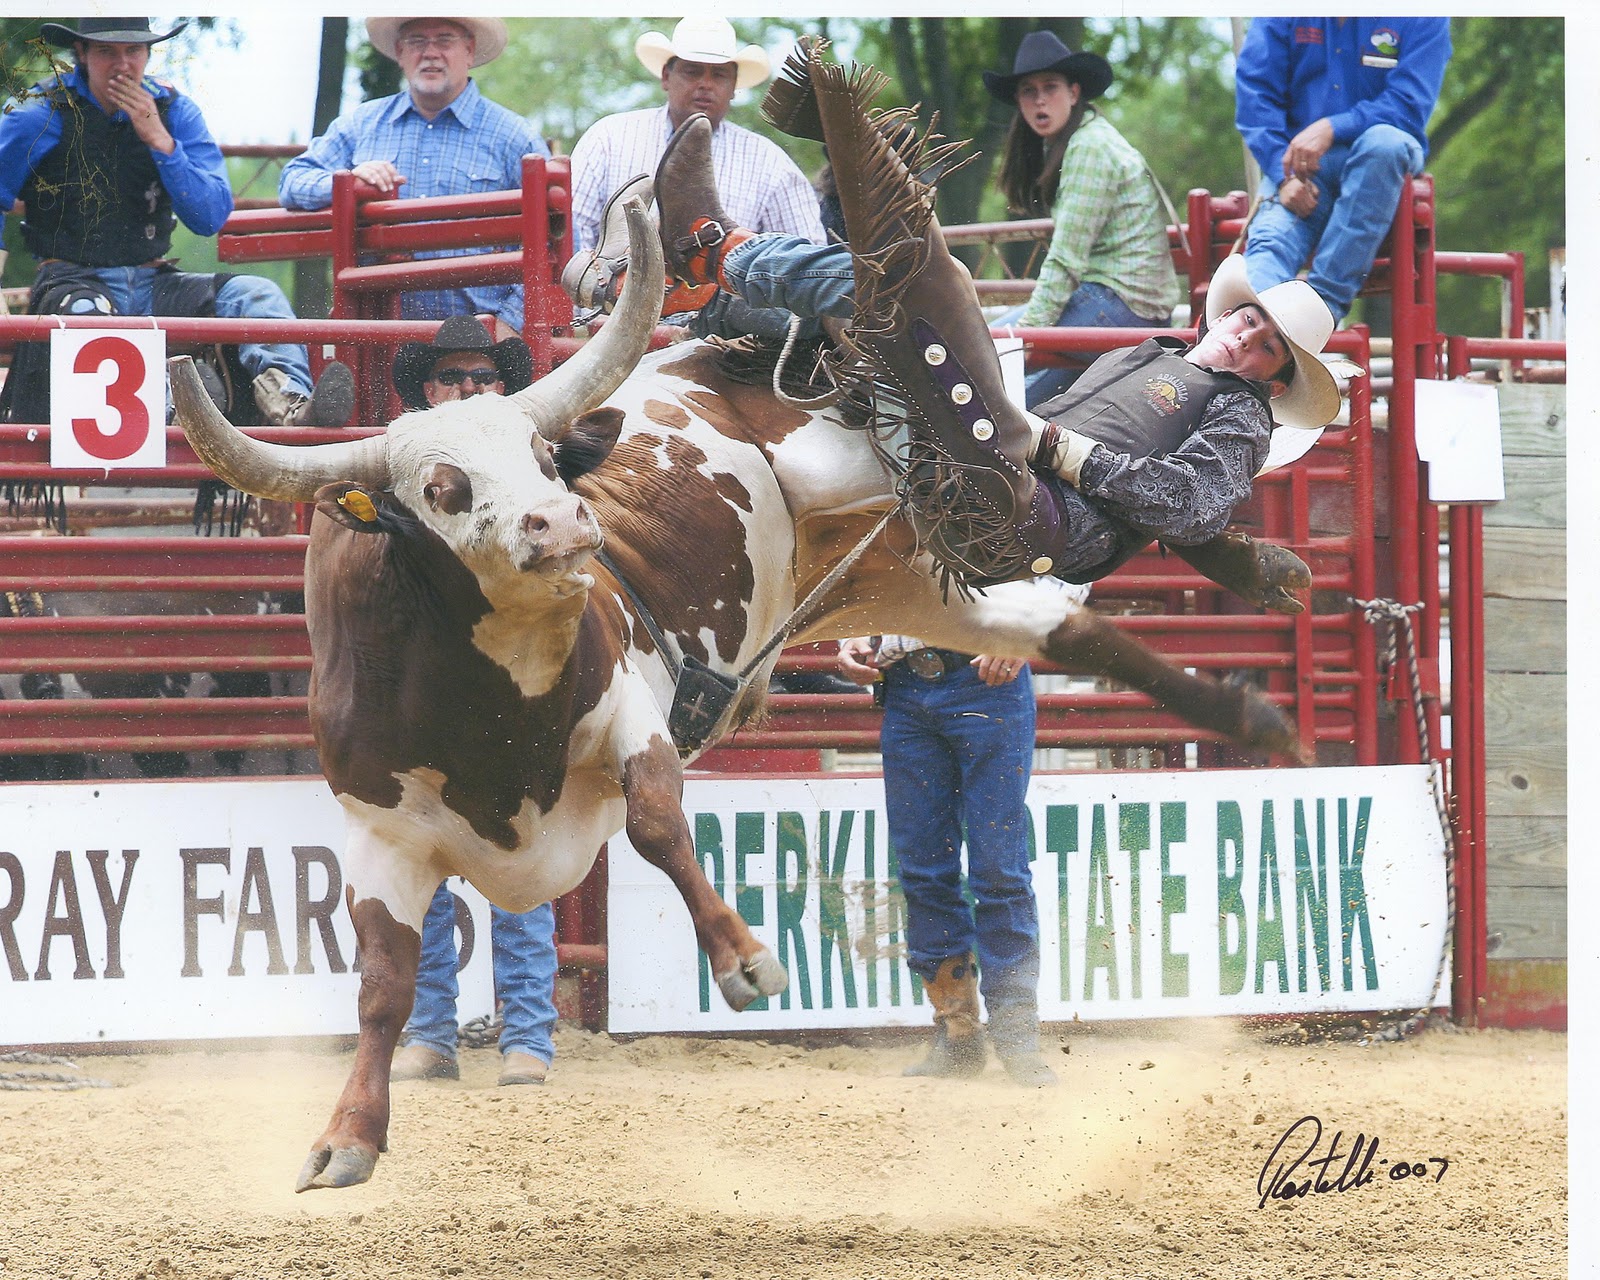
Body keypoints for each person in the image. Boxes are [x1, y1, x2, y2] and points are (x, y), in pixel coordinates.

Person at [602, 70, 1342, 603]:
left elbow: (1195, 509)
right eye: (1253, 318)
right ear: (1231, 311)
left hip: (1026, 511)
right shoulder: (1148, 355)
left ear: (1274, 379)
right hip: (998, 478)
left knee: (924, 285)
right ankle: (695, 296)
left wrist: (1061, 449)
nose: (1250, 336)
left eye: (1270, 345)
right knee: (852, 322)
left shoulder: (1241, 414)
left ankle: (715, 251)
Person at [0, 17, 353, 429]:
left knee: (256, 294)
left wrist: (162, 143)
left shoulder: (175, 112)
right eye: (106, 52)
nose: (122, 65)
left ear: (148, 54)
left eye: (134, 51)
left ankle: (290, 405)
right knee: (86, 313)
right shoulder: (39, 114)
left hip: (156, 283)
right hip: (71, 281)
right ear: (81, 54)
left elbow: (210, 216)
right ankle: (178, 405)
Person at [386, 315, 556, 1088]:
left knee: (517, 855)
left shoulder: (533, 468)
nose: (471, 390)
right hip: (424, 690)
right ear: (428, 392)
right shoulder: (398, 472)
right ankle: (431, 1033)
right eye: (455, 378)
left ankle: (528, 1039)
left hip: (510, 685)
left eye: (486, 378)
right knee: (421, 862)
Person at [837, 632, 1065, 1086]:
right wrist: (856, 636)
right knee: (927, 868)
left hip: (985, 674)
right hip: (912, 683)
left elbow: (1068, 575)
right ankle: (961, 1033)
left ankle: (1014, 1036)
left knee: (996, 867)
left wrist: (1028, 635)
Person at [277, 17, 547, 338]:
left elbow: (558, 238)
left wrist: (511, 322)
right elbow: (293, 181)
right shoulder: (361, 125)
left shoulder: (514, 136)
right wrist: (348, 182)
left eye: (444, 40)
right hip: (381, 336)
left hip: (481, 339)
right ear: (400, 52)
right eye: (417, 41)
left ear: (469, 51)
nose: (430, 53)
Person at [562, 15, 824, 336]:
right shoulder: (608, 138)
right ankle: (625, 284)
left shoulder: (773, 164)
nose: (705, 84)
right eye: (692, 70)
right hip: (611, 326)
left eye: (719, 75)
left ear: (733, 88)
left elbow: (803, 262)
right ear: (666, 76)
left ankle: (704, 274)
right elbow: (572, 238)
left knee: (786, 288)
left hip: (725, 337)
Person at [986, 30, 1180, 405]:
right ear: (1019, 101)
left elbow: (1065, 260)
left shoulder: (1089, 148)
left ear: (1074, 93)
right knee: (1027, 406)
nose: (1040, 100)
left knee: (976, 349)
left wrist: (1027, 335)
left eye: (1051, 87)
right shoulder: (1083, 138)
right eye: (1029, 90)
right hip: (1125, 309)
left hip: (1119, 308)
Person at [1234, 18, 1452, 325]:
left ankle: (1318, 315)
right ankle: (1245, 329)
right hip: (1299, 170)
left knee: (1385, 143)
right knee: (1270, 248)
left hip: (1379, 162)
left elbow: (1408, 105)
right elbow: (1256, 96)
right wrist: (1283, 176)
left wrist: (1333, 127)